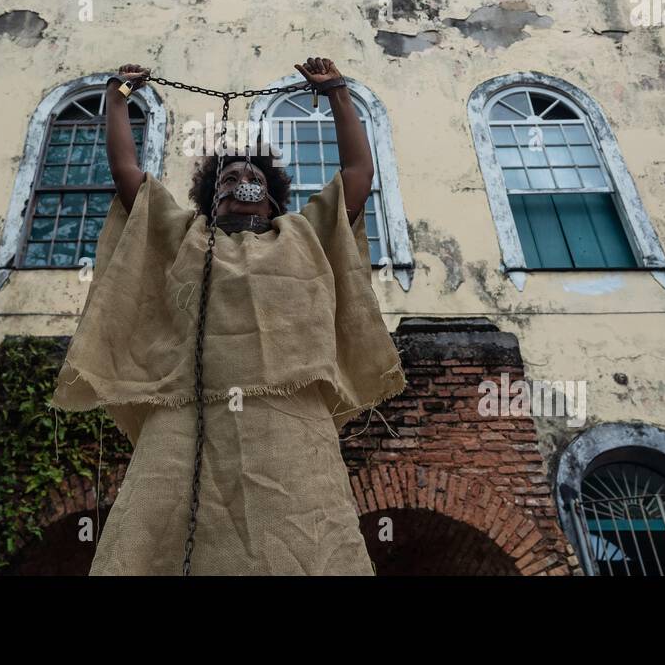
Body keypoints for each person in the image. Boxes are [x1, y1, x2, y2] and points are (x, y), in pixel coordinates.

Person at [50, 57, 406, 575]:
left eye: (252, 175)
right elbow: (128, 173)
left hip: (291, 421)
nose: (241, 179)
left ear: (271, 195)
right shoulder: (183, 235)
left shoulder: (306, 234)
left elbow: (358, 173)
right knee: (145, 543)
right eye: (229, 176)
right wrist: (119, 95)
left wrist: (337, 95)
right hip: (183, 414)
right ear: (211, 198)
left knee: (308, 543)